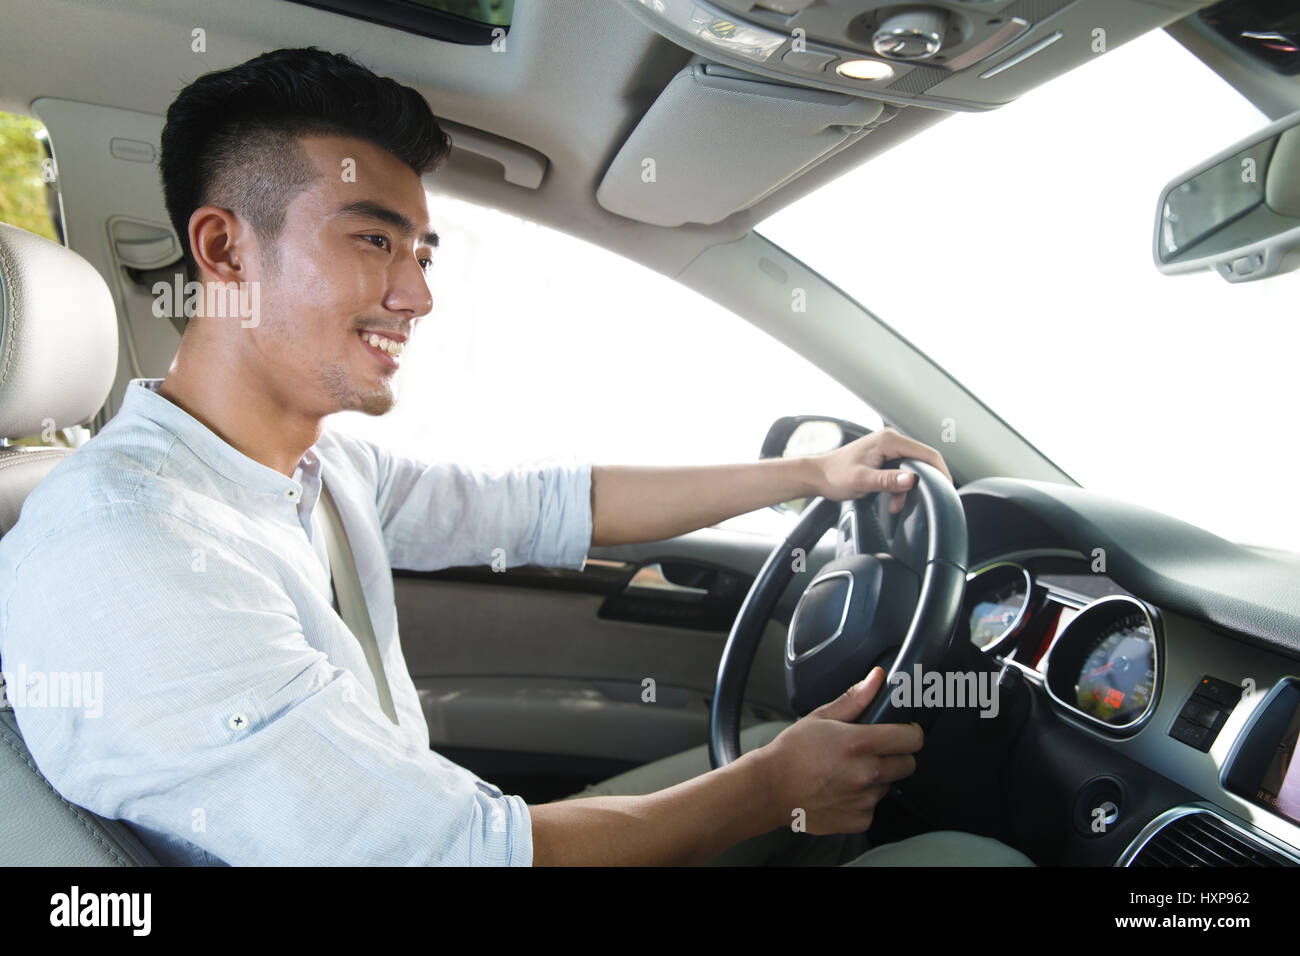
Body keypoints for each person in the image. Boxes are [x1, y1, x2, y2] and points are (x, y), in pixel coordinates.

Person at [0, 47, 1031, 867]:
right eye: (373, 241)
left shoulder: (315, 468)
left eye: (422, 251)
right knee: (964, 858)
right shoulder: (125, 547)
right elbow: (458, 855)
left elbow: (548, 505)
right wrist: (772, 792)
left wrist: (810, 474)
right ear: (225, 250)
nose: (418, 294)